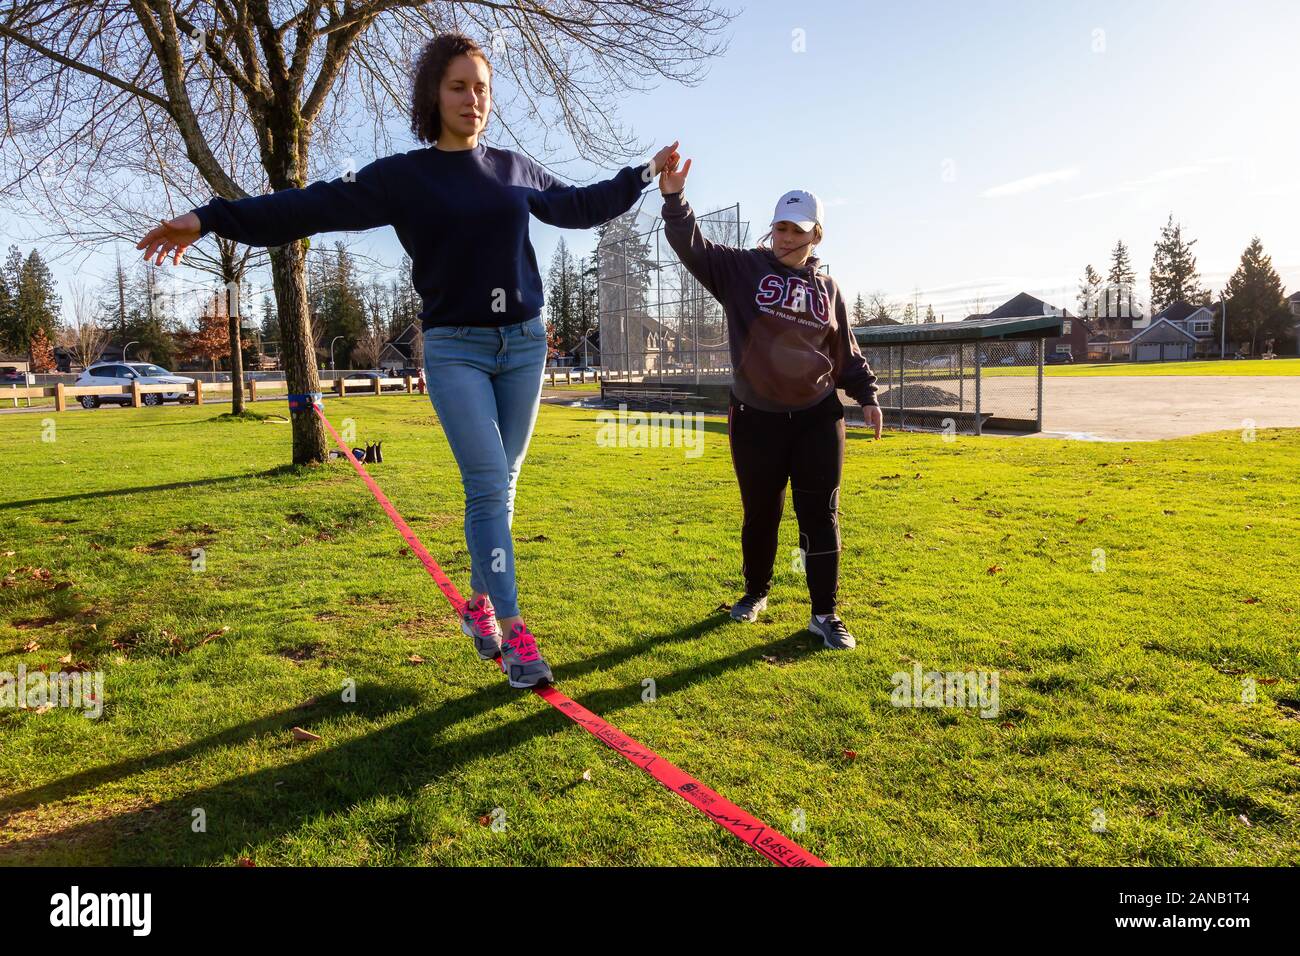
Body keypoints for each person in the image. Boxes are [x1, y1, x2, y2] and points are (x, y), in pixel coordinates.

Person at [137, 32, 679, 688]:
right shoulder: (403, 177)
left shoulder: (514, 168)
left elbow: (578, 206)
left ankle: (479, 606)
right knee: (486, 486)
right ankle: (514, 637)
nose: (473, 99)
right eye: (458, 86)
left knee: (501, 489)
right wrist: (211, 217)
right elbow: (305, 207)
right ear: (433, 94)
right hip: (456, 351)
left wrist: (646, 175)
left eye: (481, 87)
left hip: (525, 345)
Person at [656, 154, 883, 649]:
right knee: (761, 511)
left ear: (815, 235)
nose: (784, 237)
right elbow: (691, 246)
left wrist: (865, 395)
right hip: (755, 416)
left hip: (817, 418)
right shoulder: (741, 270)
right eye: (779, 227)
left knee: (820, 513)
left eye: (796, 229)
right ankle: (755, 592)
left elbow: (845, 350)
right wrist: (675, 199)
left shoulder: (828, 289)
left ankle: (823, 614)